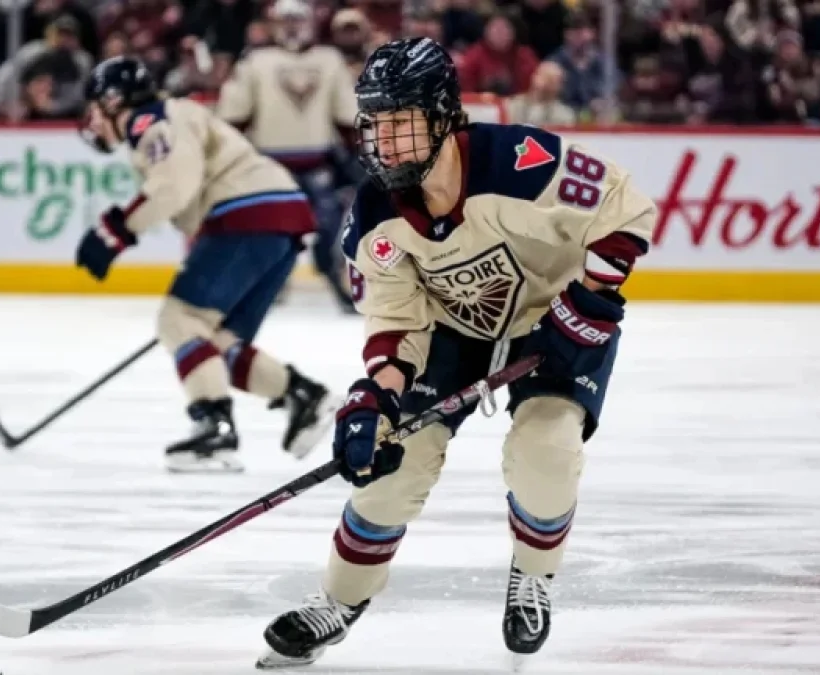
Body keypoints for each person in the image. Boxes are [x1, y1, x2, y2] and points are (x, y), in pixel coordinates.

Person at [256, 38, 657, 669]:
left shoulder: (520, 162)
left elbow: (624, 210)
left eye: (402, 124)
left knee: (546, 452)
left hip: (553, 320)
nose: (384, 144)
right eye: (376, 126)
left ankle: (533, 577)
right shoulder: (374, 218)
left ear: (444, 117)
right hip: (450, 333)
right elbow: (395, 320)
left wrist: (588, 304)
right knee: (393, 464)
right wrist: (375, 395)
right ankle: (339, 600)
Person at [75, 56, 338, 474]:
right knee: (216, 348)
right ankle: (304, 397)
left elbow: (173, 185)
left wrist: (116, 232)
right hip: (280, 218)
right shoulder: (172, 114)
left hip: (246, 215)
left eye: (93, 107)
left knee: (180, 321)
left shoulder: (150, 120)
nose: (90, 119)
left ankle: (214, 430)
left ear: (112, 100)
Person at [216, 0, 361, 314]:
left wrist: (358, 151)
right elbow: (235, 115)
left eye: (298, 19)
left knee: (330, 231)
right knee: (268, 231)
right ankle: (268, 284)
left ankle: (339, 283)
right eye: (286, 20)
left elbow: (347, 115)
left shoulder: (329, 60)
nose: (292, 27)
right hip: (269, 166)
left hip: (319, 164)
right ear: (273, 24)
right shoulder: (256, 62)